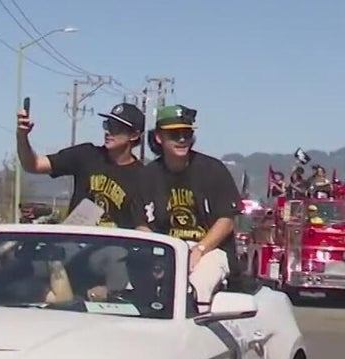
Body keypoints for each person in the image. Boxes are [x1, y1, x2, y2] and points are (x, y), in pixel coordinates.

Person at [137, 105, 241, 304]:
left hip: (210, 249)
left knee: (197, 284)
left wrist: (199, 250)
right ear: (159, 138)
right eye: (175, 134)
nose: (182, 139)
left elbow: (226, 220)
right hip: (166, 248)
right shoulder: (148, 175)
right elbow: (141, 223)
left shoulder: (213, 169)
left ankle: (198, 326)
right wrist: (157, 254)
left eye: (187, 134)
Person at [16, 101, 146, 228]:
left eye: (116, 128)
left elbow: (141, 226)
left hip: (114, 247)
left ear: (134, 135)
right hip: (75, 243)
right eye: (107, 125)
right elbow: (33, 165)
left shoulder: (142, 177)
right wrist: (22, 136)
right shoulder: (86, 154)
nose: (108, 132)